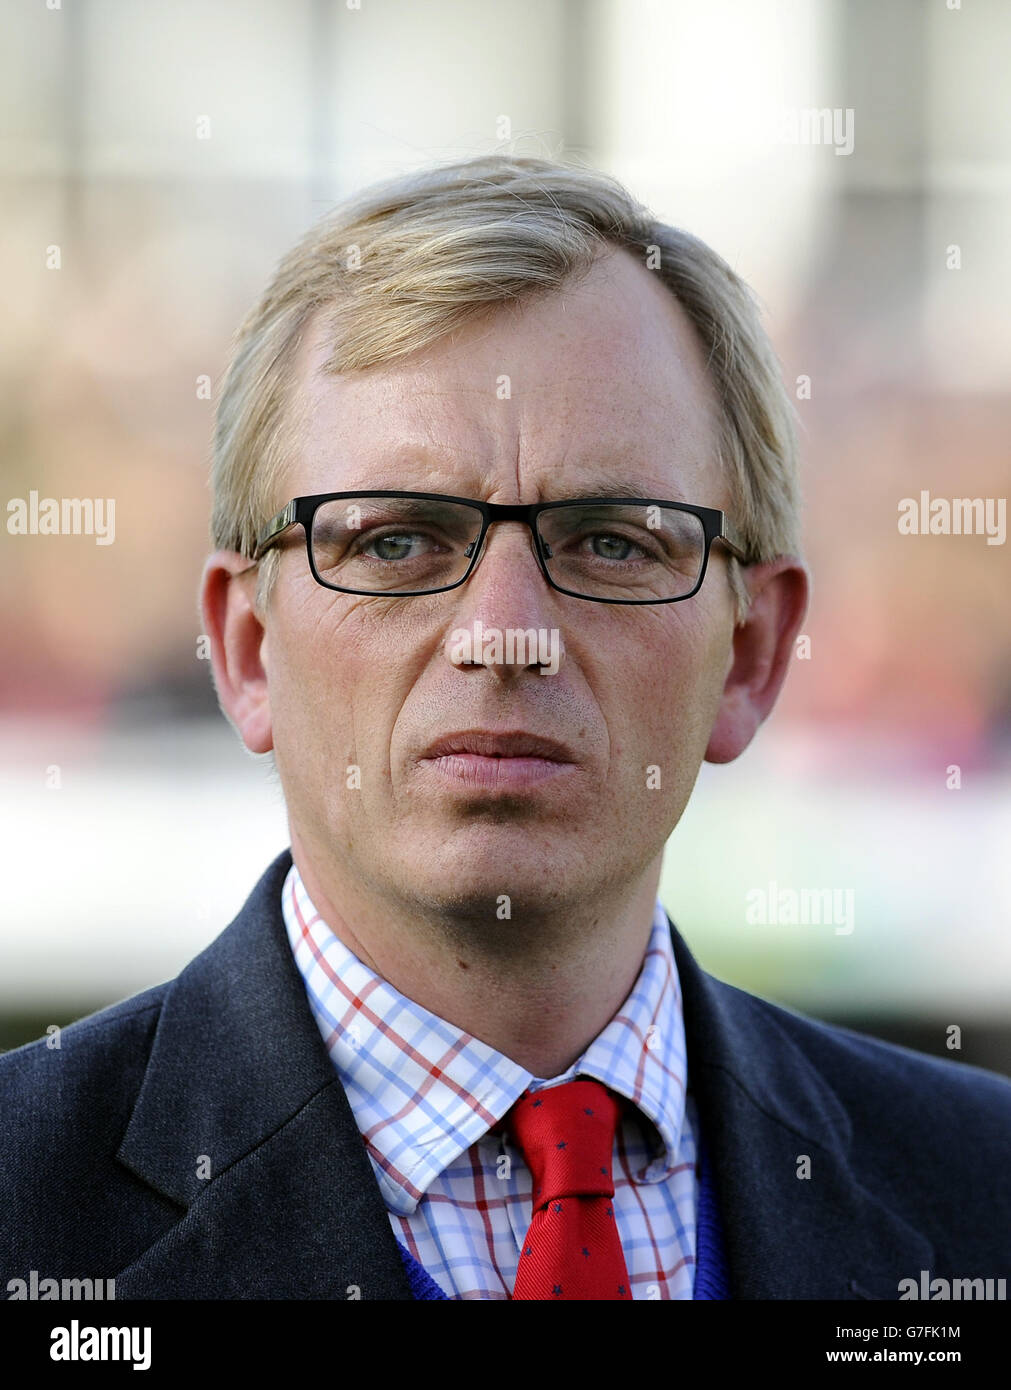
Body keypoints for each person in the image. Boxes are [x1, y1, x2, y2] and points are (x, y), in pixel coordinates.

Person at [2, 155, 1009, 1302]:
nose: (507, 635)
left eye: (612, 542)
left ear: (753, 653)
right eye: (396, 542)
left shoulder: (984, 1194)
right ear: (246, 651)